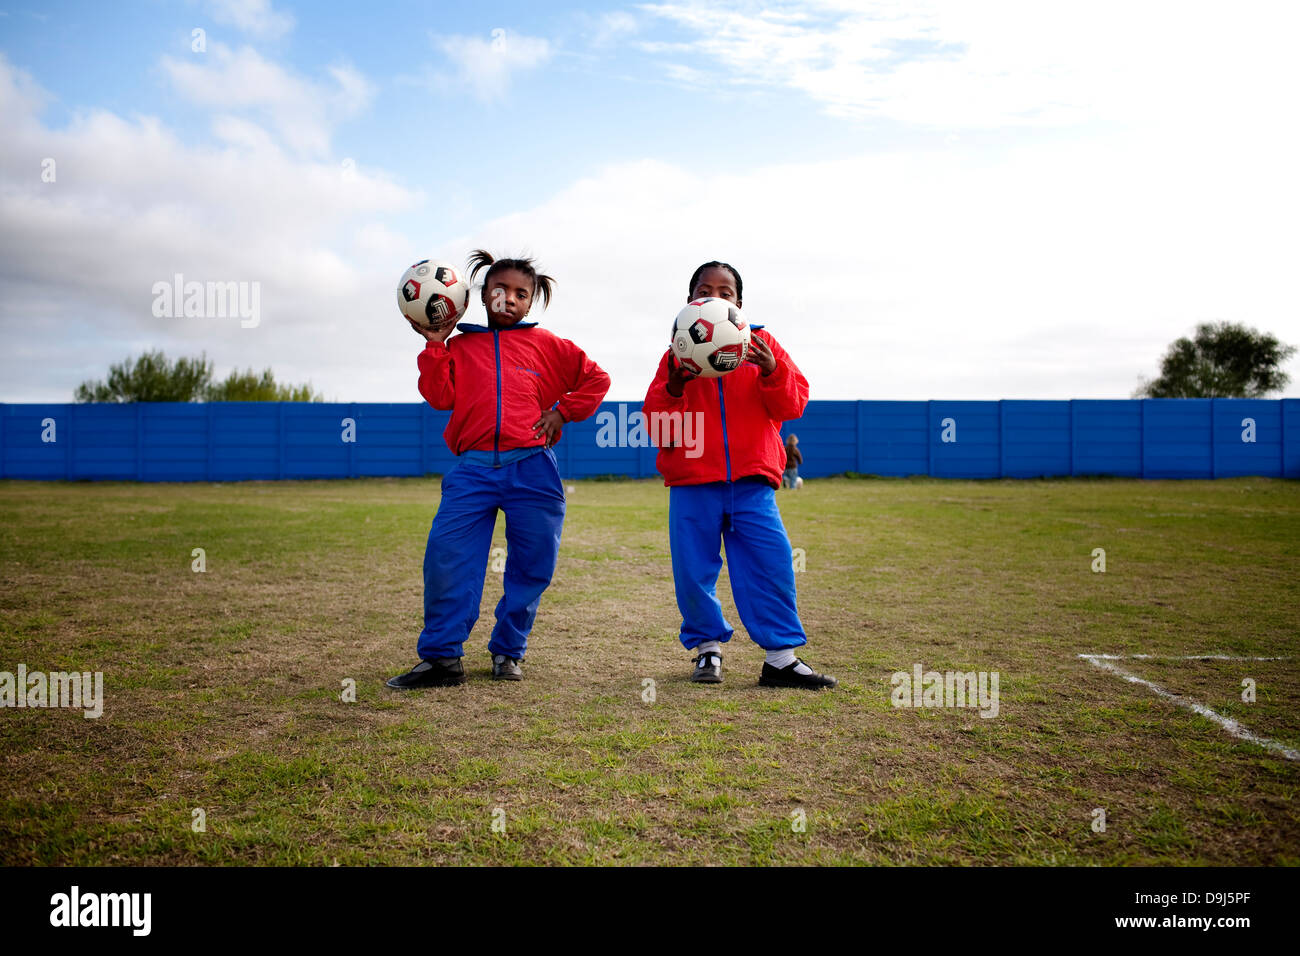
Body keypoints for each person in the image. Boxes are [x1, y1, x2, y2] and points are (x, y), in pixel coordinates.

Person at [387, 250, 610, 687]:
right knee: (448, 559)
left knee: (531, 567)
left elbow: (596, 379)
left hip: (532, 469)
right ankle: (441, 659)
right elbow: (439, 397)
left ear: (531, 303)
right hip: (472, 471)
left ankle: (508, 651)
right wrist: (434, 344)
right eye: (500, 289)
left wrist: (562, 413)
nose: (509, 298)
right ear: (482, 294)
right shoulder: (461, 346)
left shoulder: (547, 345)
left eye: (520, 294)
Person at [642, 260, 836, 689]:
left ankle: (780, 659)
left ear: (739, 304)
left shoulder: (764, 344)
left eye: (725, 292)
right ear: (690, 302)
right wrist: (674, 387)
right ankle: (707, 650)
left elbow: (793, 405)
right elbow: (657, 425)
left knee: (771, 564)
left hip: (752, 482)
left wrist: (771, 371)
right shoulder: (678, 354)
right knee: (694, 571)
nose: (715, 296)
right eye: (704, 289)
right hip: (694, 484)